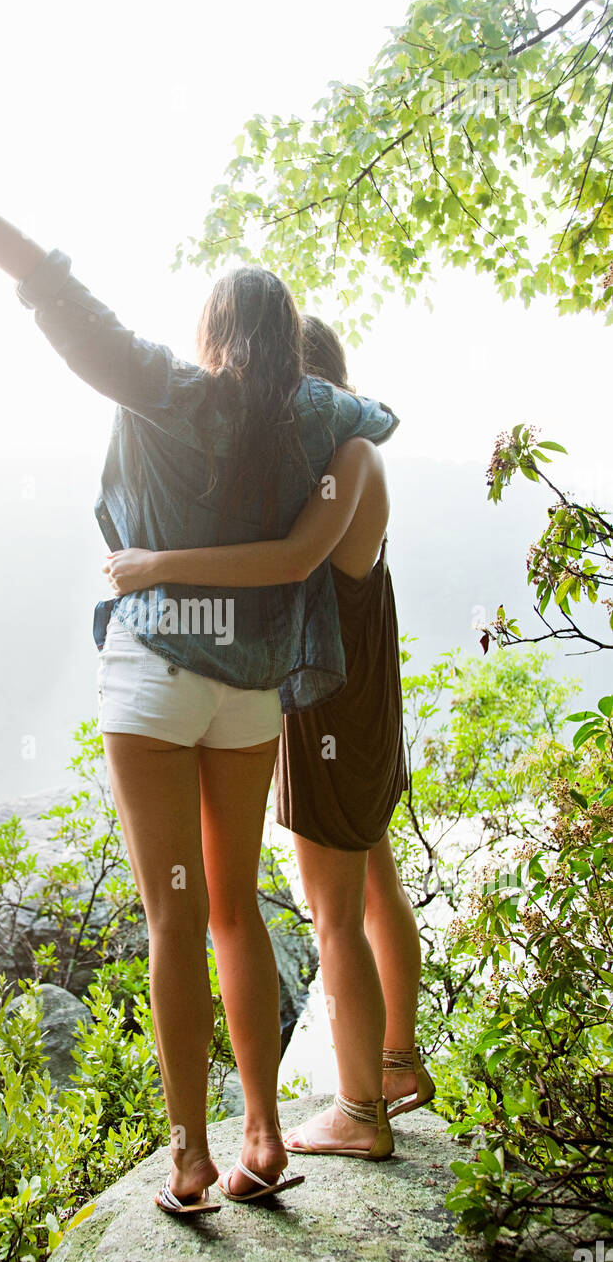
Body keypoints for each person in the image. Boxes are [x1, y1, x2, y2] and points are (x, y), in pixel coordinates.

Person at [0, 139, 399, 1209]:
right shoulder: (314, 424)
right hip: (247, 696)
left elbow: (46, 286)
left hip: (153, 674)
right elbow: (363, 430)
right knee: (235, 911)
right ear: (286, 343)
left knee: (171, 915)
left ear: (210, 335)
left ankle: (191, 1158)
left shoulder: (161, 387)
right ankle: (264, 1135)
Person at [105, 316, 434, 1162]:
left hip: (328, 697)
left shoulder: (341, 459)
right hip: (362, 687)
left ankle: (361, 1110)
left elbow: (290, 564)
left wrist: (162, 564)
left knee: (333, 910)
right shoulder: (354, 454)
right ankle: (398, 1062)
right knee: (373, 877)